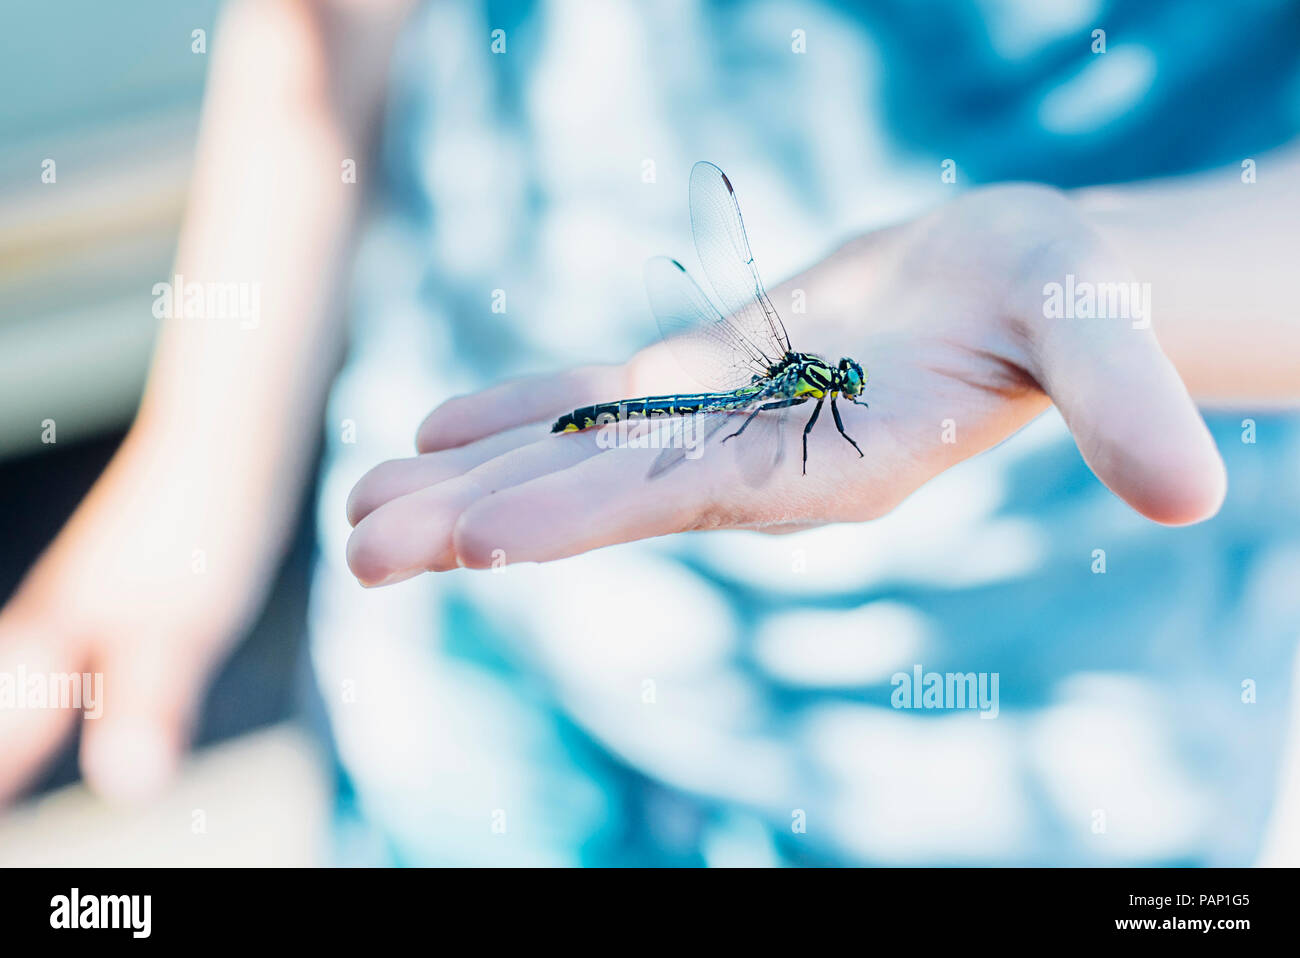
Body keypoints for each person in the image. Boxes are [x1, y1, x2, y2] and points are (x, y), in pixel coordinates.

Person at [3, 0, 1299, 865]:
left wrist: (1103, 273)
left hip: (1040, 756)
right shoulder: (803, 391)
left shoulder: (818, 390)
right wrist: (203, 452)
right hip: (468, 635)